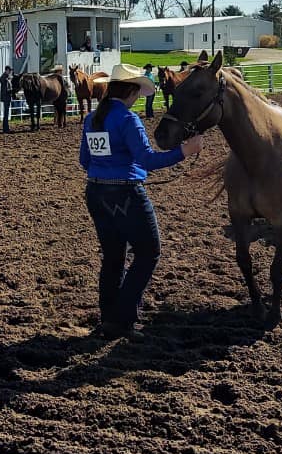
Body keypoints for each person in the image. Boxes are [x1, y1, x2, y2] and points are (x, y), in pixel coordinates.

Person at [79, 63, 205, 338]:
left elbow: (84, 161)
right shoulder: (127, 119)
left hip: (96, 193)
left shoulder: (92, 119)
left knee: (113, 257)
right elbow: (147, 160)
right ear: (132, 91)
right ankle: (123, 317)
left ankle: (109, 317)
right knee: (148, 252)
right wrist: (184, 150)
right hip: (125, 195)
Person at [0, 67, 16, 132]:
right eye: (9, 70)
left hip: (6, 97)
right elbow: (6, 87)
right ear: (7, 70)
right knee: (6, 113)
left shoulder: (6, 77)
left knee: (6, 113)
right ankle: (5, 128)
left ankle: (6, 127)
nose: (10, 72)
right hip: (6, 97)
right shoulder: (5, 78)